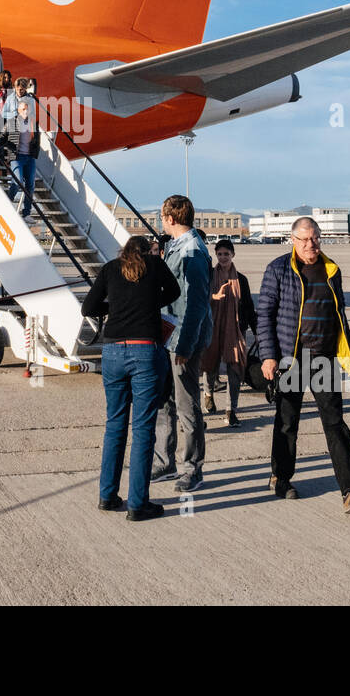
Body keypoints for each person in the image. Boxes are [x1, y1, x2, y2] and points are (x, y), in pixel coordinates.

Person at [256, 217, 350, 514]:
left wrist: (344, 351)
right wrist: (269, 355)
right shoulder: (278, 269)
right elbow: (265, 315)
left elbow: (338, 311)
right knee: (288, 422)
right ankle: (281, 477)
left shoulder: (330, 269)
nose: (311, 244)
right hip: (291, 359)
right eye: (304, 239)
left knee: (335, 423)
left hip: (323, 358)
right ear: (293, 240)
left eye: (315, 238)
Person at [82, 236, 181, 521]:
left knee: (114, 425)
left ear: (124, 251)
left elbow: (88, 308)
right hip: (144, 350)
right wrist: (148, 303)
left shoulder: (111, 268)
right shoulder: (156, 265)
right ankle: (138, 503)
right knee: (143, 430)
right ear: (149, 250)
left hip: (112, 350)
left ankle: (107, 496)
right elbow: (173, 292)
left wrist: (114, 308)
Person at [152, 194, 213, 494]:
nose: (160, 221)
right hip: (168, 336)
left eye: (162, 216)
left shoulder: (192, 251)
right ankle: (165, 461)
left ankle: (192, 468)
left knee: (187, 405)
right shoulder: (176, 246)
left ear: (171, 218)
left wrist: (186, 346)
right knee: (165, 401)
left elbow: (197, 304)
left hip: (182, 341)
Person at [201, 239, 256, 426]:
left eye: (226, 254)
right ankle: (208, 393)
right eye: (220, 254)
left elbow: (248, 306)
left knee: (235, 369)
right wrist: (214, 297)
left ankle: (231, 410)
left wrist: (256, 331)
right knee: (210, 366)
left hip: (234, 330)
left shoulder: (241, 279)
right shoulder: (208, 276)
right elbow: (199, 301)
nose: (223, 257)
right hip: (212, 327)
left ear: (233, 255)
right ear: (216, 255)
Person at [0, 89, 38, 218]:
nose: (26, 111)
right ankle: (7, 203)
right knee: (17, 183)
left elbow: (36, 139)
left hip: (30, 158)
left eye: (27, 109)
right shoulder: (12, 122)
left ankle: (27, 211)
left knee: (30, 185)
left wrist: (35, 151)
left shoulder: (33, 123)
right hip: (17, 157)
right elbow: (3, 135)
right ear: (18, 111)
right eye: (23, 109)